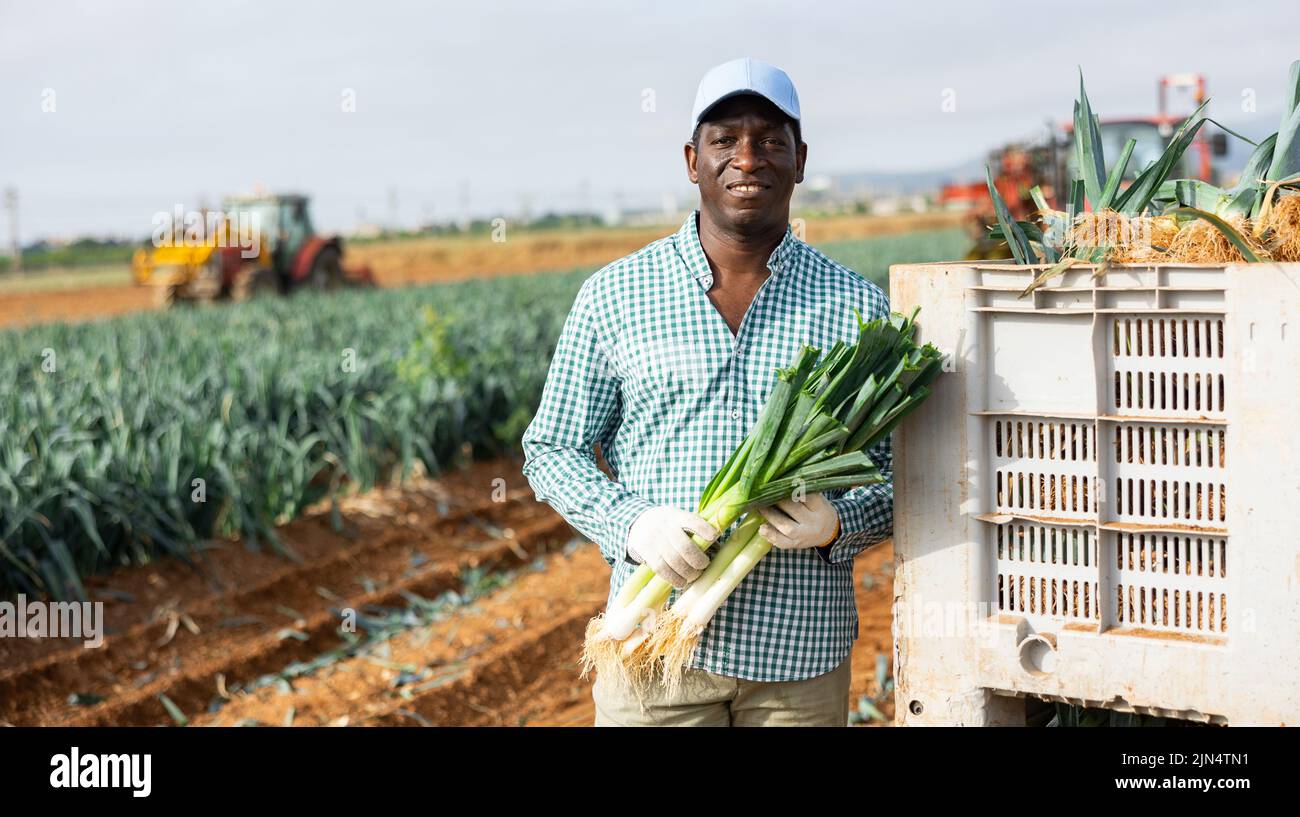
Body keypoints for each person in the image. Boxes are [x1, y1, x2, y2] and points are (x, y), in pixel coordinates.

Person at [521, 57, 891, 726]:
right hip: (649, 647)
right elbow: (551, 449)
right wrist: (631, 523)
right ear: (693, 160)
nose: (748, 157)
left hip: (799, 660)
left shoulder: (858, 310)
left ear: (800, 160)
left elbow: (905, 476)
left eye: (771, 140)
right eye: (725, 139)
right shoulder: (615, 296)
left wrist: (841, 522)